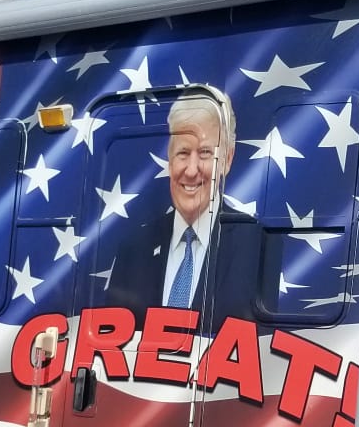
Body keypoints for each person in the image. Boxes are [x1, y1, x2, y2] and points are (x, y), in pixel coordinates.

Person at [110, 89, 262, 326]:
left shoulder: (257, 244)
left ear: (228, 160)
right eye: (183, 153)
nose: (191, 170)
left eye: (204, 153)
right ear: (170, 160)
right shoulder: (133, 248)